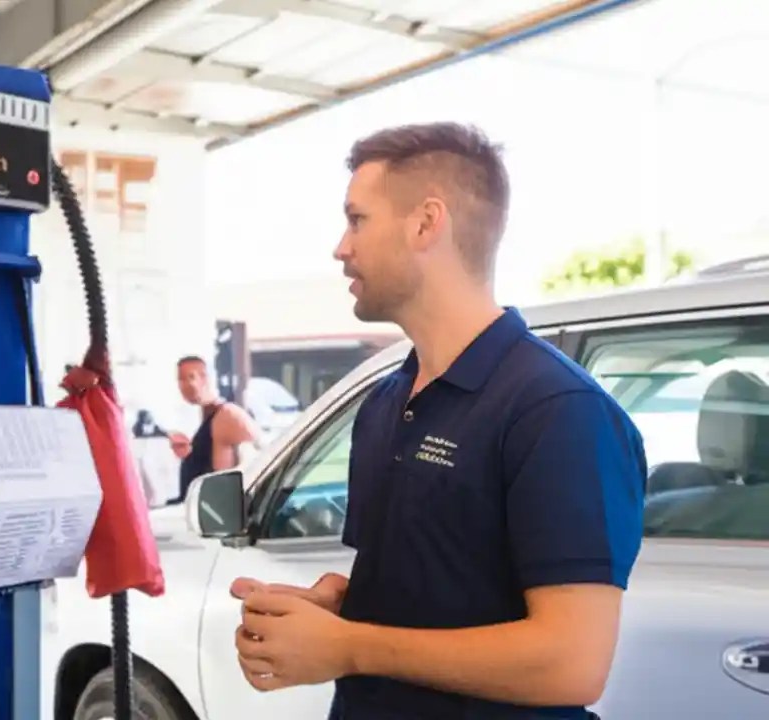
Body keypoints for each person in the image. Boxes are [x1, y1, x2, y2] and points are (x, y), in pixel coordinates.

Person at [230, 123, 646, 719]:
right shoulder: (385, 403)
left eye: (357, 220)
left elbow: (571, 664)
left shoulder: (557, 411)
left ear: (426, 223)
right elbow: (438, 593)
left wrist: (350, 647)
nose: (340, 248)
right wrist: (332, 613)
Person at [170, 355, 260, 501]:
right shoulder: (203, 415)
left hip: (217, 507)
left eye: (190, 377)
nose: (184, 385)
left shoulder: (228, 414)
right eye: (181, 380)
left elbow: (261, 450)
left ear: (205, 378)